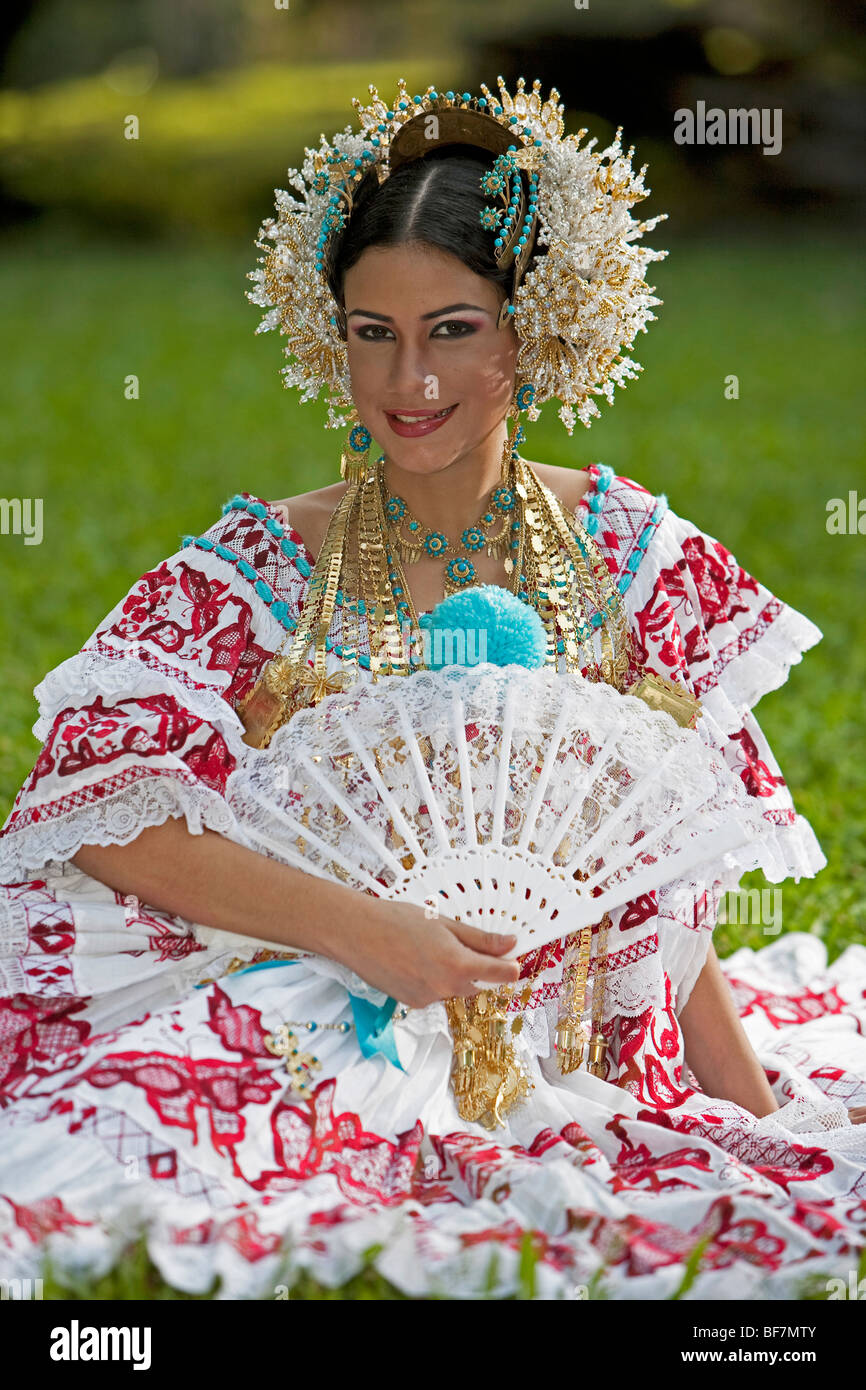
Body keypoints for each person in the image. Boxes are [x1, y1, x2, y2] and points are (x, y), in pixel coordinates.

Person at [1, 77, 864, 1301]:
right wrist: (373, 936)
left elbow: (660, 893)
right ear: (330, 331)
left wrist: (758, 1119)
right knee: (130, 1135)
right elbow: (104, 811)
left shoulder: (633, 558)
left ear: (538, 325)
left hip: (570, 1045)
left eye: (452, 329)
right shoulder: (260, 571)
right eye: (372, 332)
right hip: (318, 1007)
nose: (406, 381)